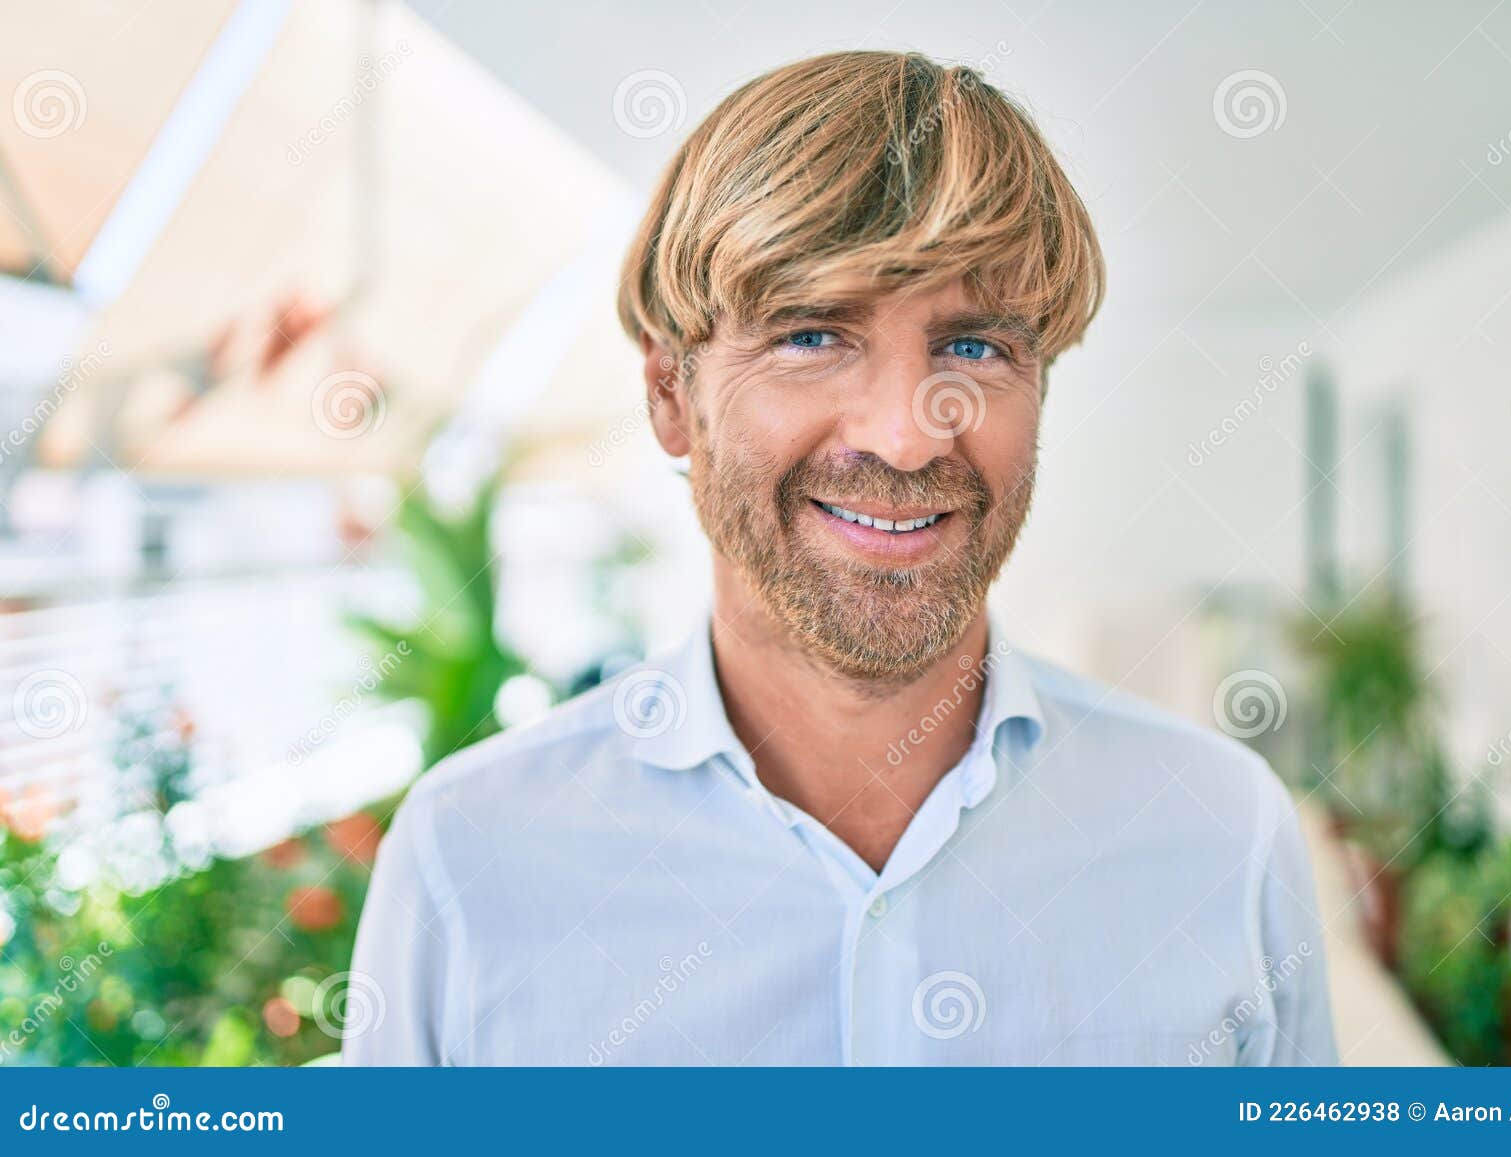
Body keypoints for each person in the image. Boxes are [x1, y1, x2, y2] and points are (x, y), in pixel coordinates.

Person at [346, 50, 1337, 1066]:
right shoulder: (468, 862)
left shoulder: (1222, 834)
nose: (908, 437)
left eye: (976, 347)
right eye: (813, 334)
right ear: (669, 396)